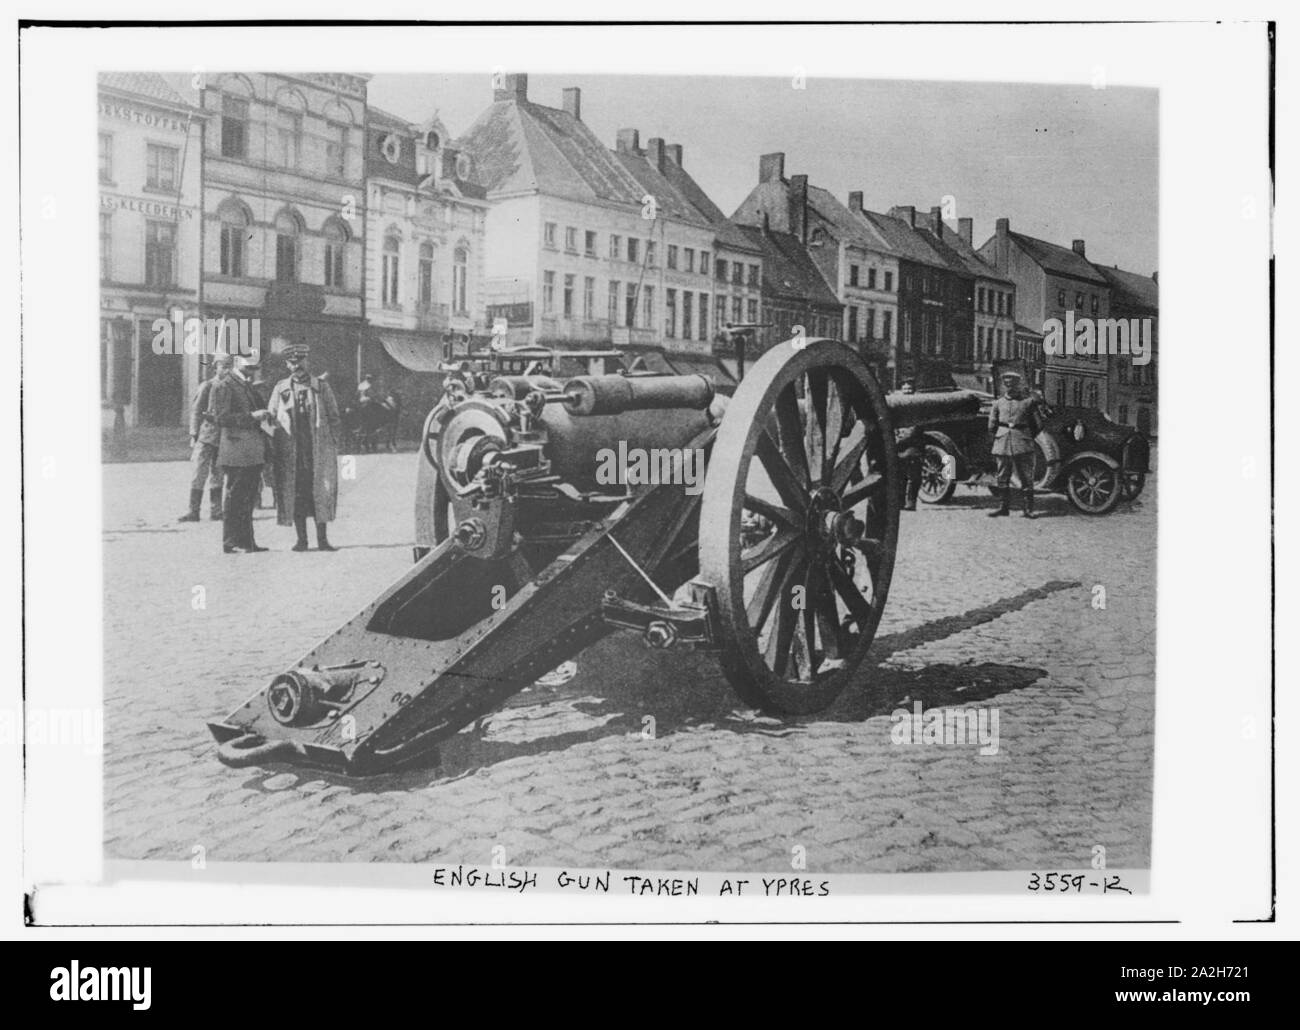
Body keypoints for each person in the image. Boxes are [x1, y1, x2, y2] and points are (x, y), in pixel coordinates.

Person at [268, 344, 341, 552]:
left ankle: (323, 540)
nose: (297, 365)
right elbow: (271, 416)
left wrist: (332, 443)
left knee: (320, 493)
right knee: (296, 495)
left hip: (317, 451)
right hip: (292, 453)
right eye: (292, 362)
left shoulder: (321, 387)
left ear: (307, 362)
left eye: (300, 361)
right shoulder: (280, 388)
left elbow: (334, 417)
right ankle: (302, 540)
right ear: (287, 365)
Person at [210, 353, 273, 553]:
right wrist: (252, 416)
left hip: (251, 449)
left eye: (254, 368)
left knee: (248, 496)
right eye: (248, 368)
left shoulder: (245, 385)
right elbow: (221, 418)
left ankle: (247, 542)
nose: (252, 372)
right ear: (237, 363)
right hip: (236, 449)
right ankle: (230, 542)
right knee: (235, 496)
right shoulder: (225, 385)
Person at [178, 355, 231, 522]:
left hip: (223, 436)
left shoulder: (231, 388)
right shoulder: (207, 386)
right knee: (199, 473)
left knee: (218, 473)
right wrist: (194, 434)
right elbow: (196, 411)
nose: (227, 369)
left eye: (229, 366)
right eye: (223, 366)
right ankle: (193, 511)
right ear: (216, 367)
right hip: (206, 436)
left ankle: (216, 511)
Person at [987, 369, 1042, 518]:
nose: (1010, 387)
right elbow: (991, 426)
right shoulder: (998, 403)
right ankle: (1003, 508)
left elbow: (1038, 424)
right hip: (1002, 443)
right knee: (1002, 477)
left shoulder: (1028, 402)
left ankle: (1028, 509)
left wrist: (1026, 435)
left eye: (1013, 384)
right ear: (1004, 385)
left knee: (1026, 477)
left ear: (1018, 384)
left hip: (1022, 442)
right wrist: (1000, 435)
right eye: (1007, 384)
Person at [894, 377, 924, 511]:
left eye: (910, 389)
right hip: (899, 448)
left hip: (912, 447)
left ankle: (911, 502)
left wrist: (898, 440)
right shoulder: (898, 407)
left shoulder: (916, 407)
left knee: (914, 477)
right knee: (900, 477)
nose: (907, 391)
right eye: (905, 389)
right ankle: (900, 502)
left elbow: (914, 429)